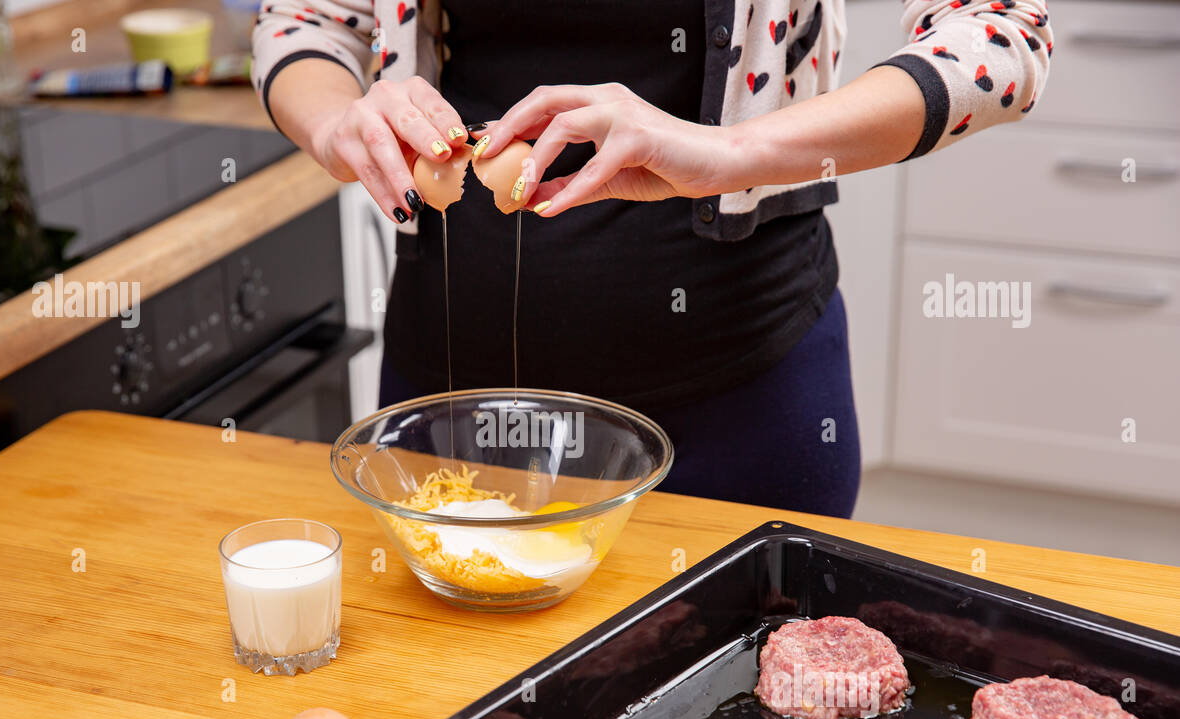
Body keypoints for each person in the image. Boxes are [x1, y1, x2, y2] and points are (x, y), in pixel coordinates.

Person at [251, 1, 1053, 518]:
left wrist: (734, 149)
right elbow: (307, 21)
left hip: (742, 403)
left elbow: (1001, 34)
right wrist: (334, 127)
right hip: (452, 401)